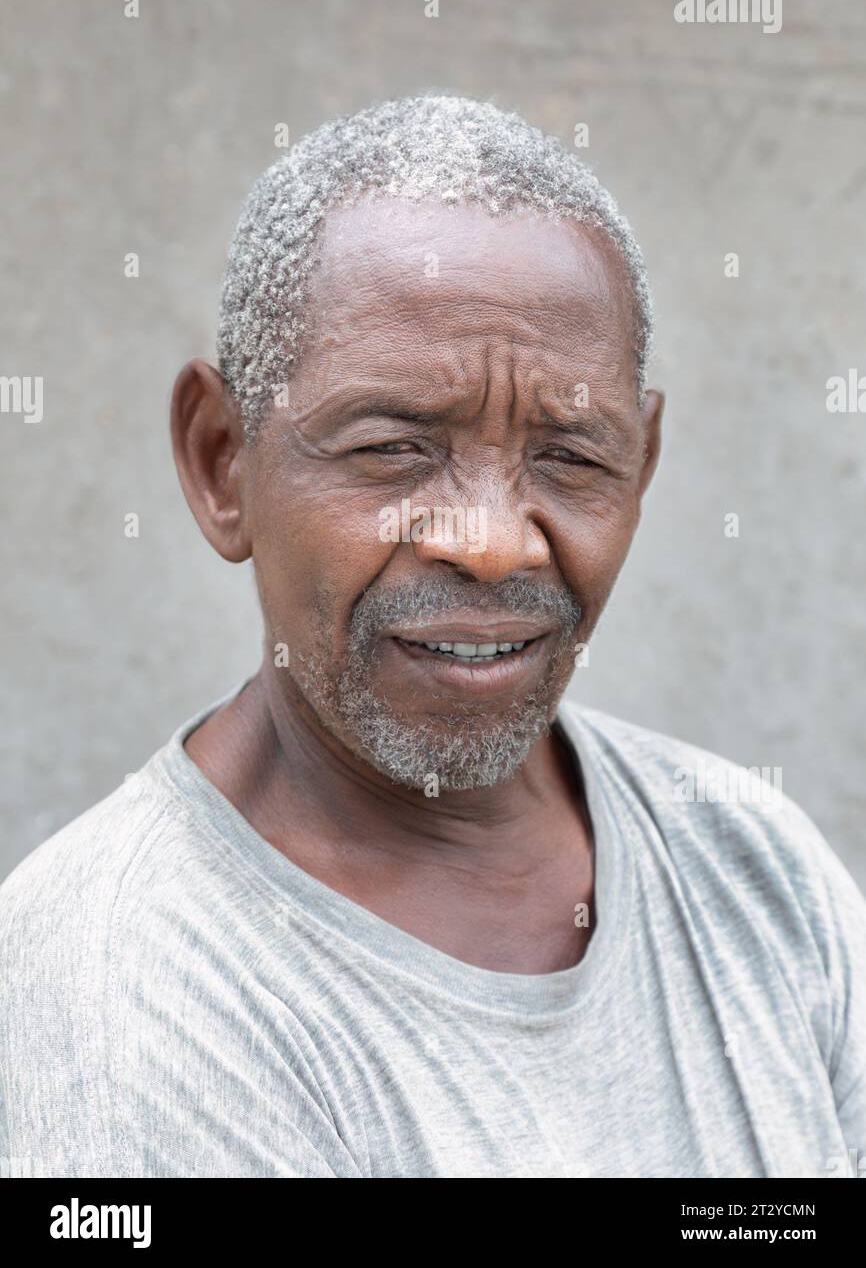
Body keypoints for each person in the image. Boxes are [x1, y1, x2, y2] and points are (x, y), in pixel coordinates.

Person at [1, 94, 863, 1178]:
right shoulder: (123, 986)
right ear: (223, 461)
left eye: (569, 458)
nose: (494, 543)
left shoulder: (750, 864)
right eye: (392, 448)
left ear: (640, 467)